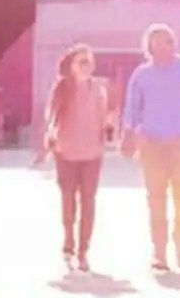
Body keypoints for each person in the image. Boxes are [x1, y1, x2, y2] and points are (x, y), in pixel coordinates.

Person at [121, 23, 180, 272]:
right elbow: (132, 107)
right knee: (155, 199)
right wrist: (129, 133)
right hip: (151, 143)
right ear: (149, 46)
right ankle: (159, 251)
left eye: (168, 41)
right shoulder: (141, 74)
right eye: (157, 41)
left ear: (174, 43)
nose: (163, 46)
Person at [44, 44, 109, 273]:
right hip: (66, 151)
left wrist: (109, 133)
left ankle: (83, 249)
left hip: (92, 153)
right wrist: (51, 138)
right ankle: (68, 238)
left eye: (89, 61)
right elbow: (51, 116)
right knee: (68, 198)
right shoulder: (61, 88)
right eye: (82, 62)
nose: (87, 66)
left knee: (89, 200)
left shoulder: (99, 89)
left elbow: (104, 119)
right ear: (71, 66)